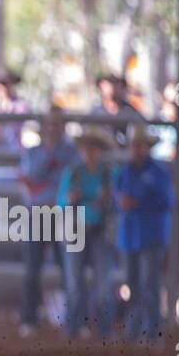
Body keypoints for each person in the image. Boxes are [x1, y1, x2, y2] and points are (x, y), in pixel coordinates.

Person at [16, 107, 78, 336]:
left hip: (64, 215)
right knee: (32, 269)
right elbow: (25, 183)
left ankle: (72, 321)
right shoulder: (32, 153)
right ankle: (29, 319)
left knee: (69, 269)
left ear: (63, 127)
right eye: (49, 123)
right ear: (43, 127)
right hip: (38, 213)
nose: (52, 128)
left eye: (57, 123)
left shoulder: (72, 152)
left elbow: (74, 181)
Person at [113, 125, 173, 344]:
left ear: (147, 147)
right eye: (134, 145)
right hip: (130, 236)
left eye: (140, 145)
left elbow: (166, 202)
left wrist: (135, 203)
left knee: (149, 286)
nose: (136, 149)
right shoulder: (124, 172)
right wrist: (122, 203)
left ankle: (151, 332)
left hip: (150, 235)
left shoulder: (159, 173)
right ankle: (136, 331)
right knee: (134, 285)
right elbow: (115, 200)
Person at [57, 127, 117, 339]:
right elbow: (60, 203)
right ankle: (74, 326)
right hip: (75, 231)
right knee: (74, 283)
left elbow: (118, 202)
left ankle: (104, 329)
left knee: (103, 283)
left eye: (93, 148)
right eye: (86, 148)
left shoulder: (110, 174)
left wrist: (109, 199)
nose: (90, 152)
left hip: (100, 231)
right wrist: (69, 199)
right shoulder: (72, 173)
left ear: (99, 151)